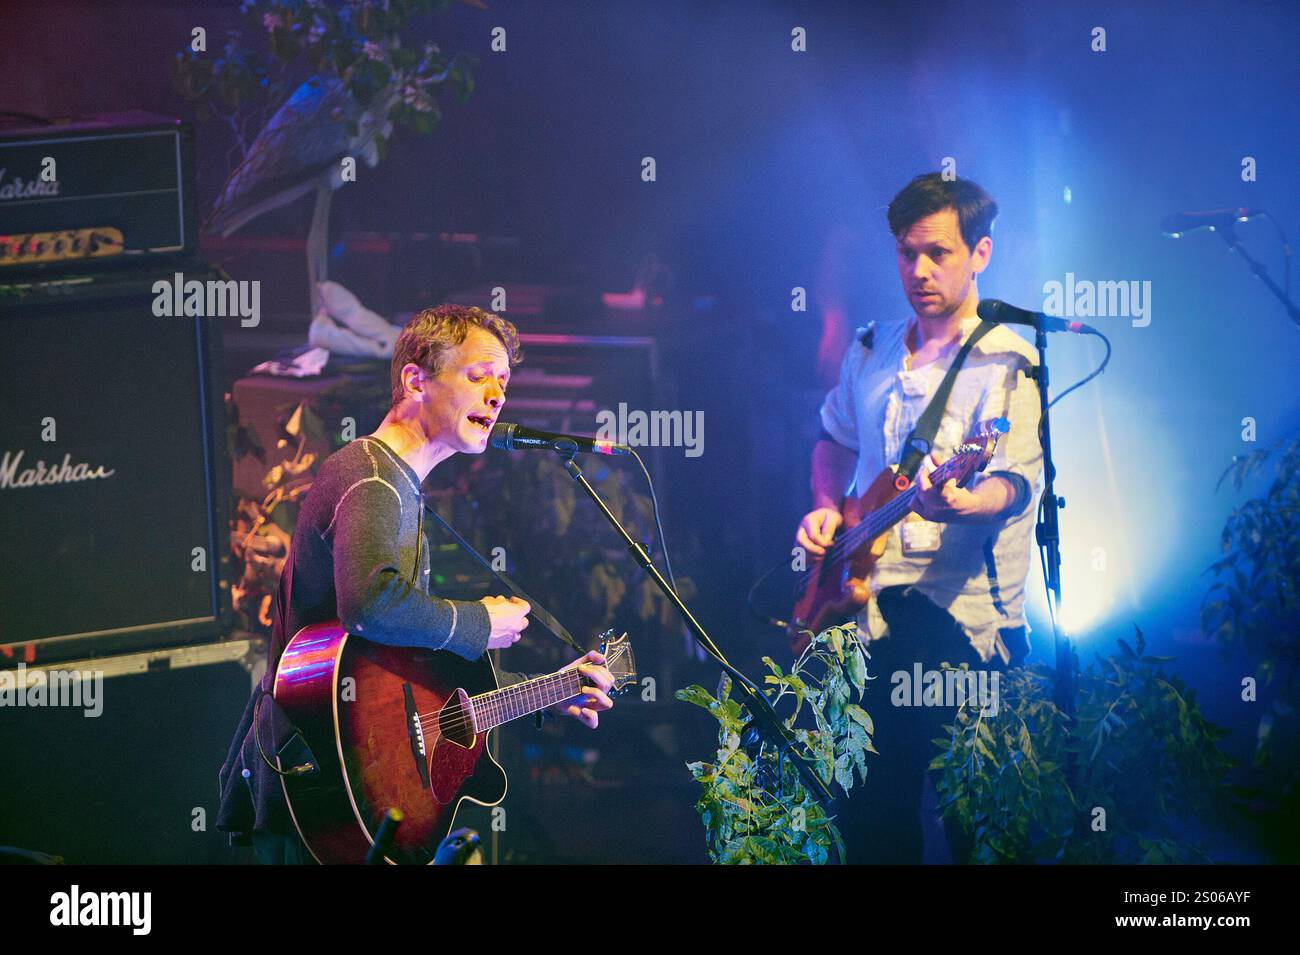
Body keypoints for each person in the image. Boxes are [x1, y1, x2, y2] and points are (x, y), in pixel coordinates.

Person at [218, 304, 615, 864]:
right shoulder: (370, 476)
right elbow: (370, 605)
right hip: (316, 788)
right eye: (478, 377)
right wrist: (482, 622)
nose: (498, 396)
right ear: (414, 379)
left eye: (503, 382)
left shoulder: (399, 487)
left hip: (345, 796)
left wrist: (550, 692)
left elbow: (415, 681)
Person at [794, 173, 1044, 864]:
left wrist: (965, 501)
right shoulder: (872, 349)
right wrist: (823, 508)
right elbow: (832, 440)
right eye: (906, 253)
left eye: (938, 252)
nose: (919, 270)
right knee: (873, 825)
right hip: (867, 621)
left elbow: (1017, 483)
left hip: (965, 628)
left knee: (979, 829)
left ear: (981, 253)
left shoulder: (1007, 359)